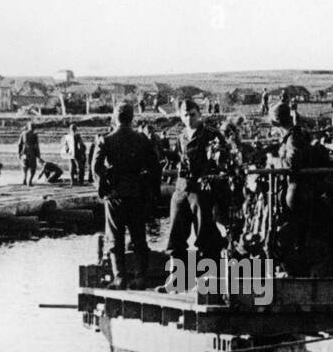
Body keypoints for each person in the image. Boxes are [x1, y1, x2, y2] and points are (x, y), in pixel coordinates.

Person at [162, 97, 232, 268]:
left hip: (201, 191)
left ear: (200, 114)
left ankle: (209, 278)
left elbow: (222, 162)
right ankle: (177, 278)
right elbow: (180, 159)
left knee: (205, 236)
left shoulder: (211, 134)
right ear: (180, 116)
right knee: (175, 237)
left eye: (193, 115)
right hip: (182, 188)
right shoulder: (181, 137)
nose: (189, 119)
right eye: (185, 115)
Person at [93, 102, 154, 288]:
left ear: (114, 117)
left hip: (115, 194)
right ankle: (141, 277)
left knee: (115, 236)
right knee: (138, 236)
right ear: (132, 117)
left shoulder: (107, 140)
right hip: (136, 193)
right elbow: (154, 167)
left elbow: (96, 168)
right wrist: (148, 191)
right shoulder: (142, 139)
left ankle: (119, 277)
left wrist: (104, 190)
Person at [268, 101, 313, 274]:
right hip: (297, 189)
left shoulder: (293, 138)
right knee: (296, 233)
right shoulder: (292, 135)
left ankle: (296, 270)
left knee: (293, 233)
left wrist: (274, 161)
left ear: (275, 122)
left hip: (296, 191)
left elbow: (293, 162)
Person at [17, 121, 41, 186]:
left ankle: (24, 180)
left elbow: (19, 144)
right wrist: (38, 156)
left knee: (24, 166)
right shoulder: (35, 134)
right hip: (32, 153)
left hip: (24, 153)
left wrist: (19, 153)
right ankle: (29, 181)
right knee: (33, 167)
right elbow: (36, 146)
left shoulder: (23, 133)